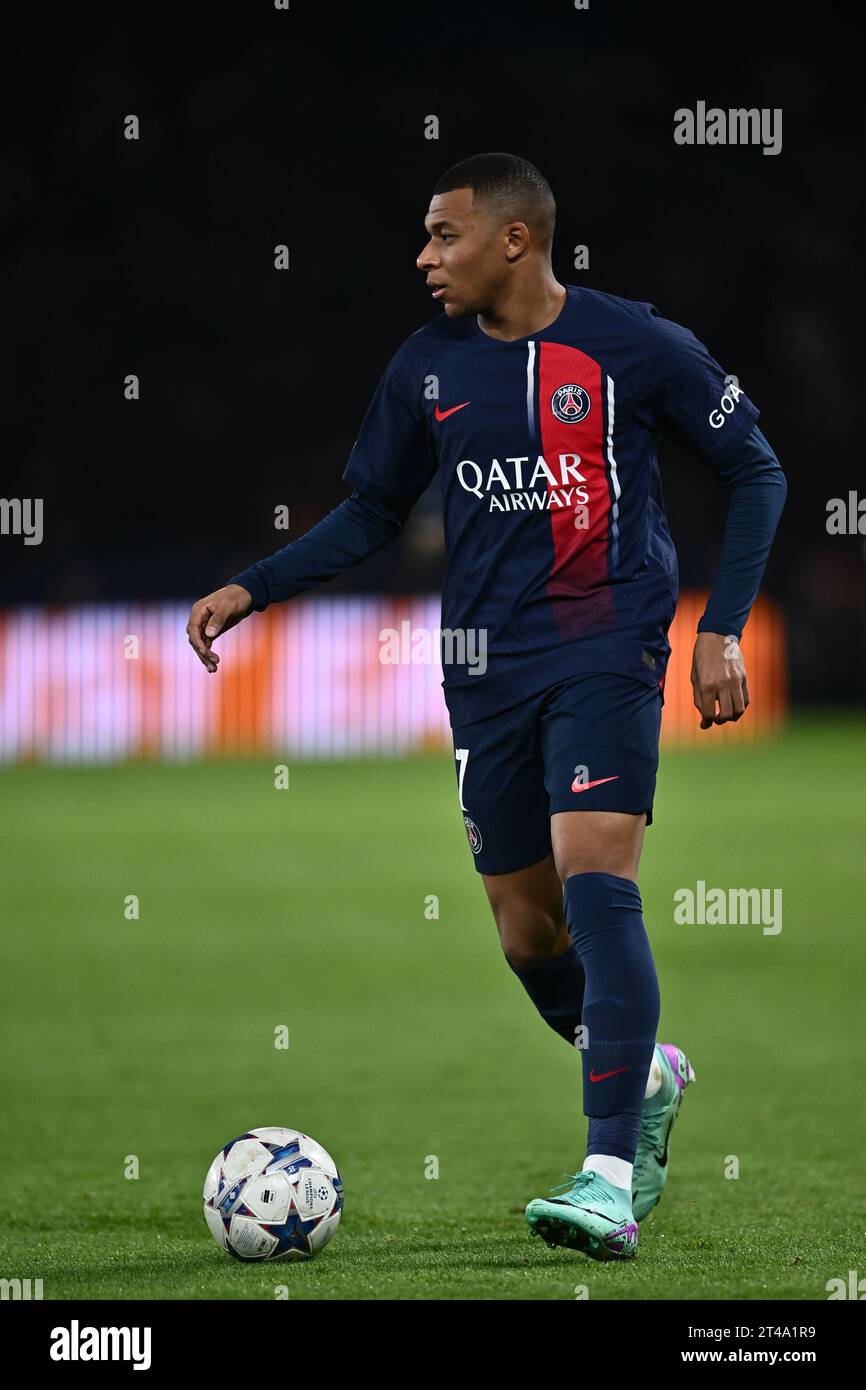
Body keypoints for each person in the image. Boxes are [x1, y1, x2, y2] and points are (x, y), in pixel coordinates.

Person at [187, 152, 787, 1261]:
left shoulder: (633, 345)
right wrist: (253, 584)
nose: (423, 257)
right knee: (525, 932)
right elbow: (371, 510)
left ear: (514, 239)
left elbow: (756, 470)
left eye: (441, 235)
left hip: (607, 647)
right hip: (483, 671)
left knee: (596, 881)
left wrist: (716, 630)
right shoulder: (425, 369)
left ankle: (607, 1175)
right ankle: (642, 1066)